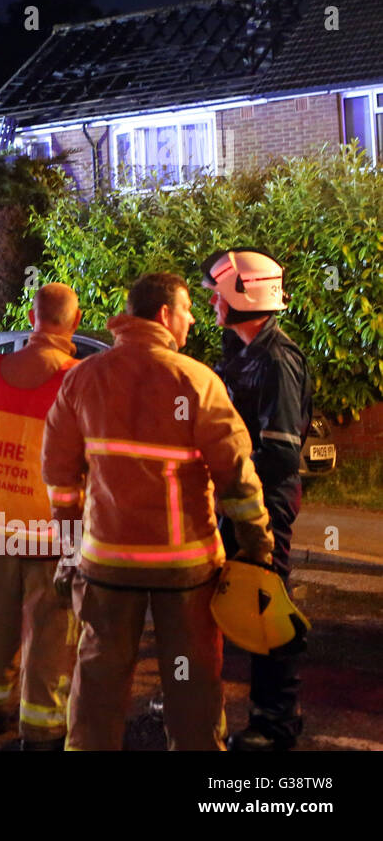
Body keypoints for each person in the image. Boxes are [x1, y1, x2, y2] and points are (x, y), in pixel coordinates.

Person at [42, 272, 274, 751]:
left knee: (99, 681)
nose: (192, 318)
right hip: (185, 568)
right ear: (165, 315)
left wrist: (70, 552)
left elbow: (59, 477)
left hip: (107, 565)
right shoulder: (195, 381)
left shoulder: (83, 379)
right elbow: (235, 474)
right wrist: (257, 545)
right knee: (191, 687)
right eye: (187, 310)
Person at [0, 283, 83, 750]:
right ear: (76, 320)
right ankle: (43, 728)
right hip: (52, 537)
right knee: (51, 633)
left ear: (32, 317)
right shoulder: (76, 379)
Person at [202, 249, 312, 751]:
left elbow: (282, 454)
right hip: (240, 500)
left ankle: (276, 721)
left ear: (245, 294)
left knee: (268, 603)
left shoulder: (276, 359)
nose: (212, 302)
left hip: (267, 502)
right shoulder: (241, 351)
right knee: (225, 600)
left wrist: (239, 494)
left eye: (217, 294)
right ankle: (199, 698)